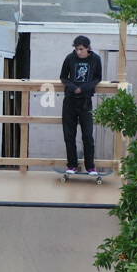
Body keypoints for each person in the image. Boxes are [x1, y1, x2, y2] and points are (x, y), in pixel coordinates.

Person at [59, 35, 102, 175]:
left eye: (81, 49)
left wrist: (83, 88)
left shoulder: (95, 59)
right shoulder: (69, 58)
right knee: (69, 135)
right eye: (76, 49)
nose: (78, 52)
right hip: (70, 100)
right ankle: (72, 165)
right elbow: (63, 77)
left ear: (88, 48)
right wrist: (73, 88)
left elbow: (97, 77)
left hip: (85, 101)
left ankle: (90, 166)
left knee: (88, 135)